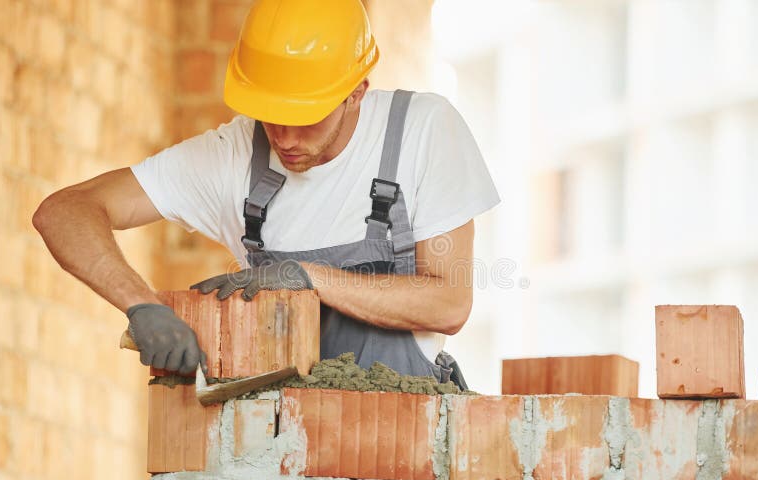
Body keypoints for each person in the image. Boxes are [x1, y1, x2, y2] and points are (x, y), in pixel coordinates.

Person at [33, 0, 499, 388]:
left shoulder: (421, 132)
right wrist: (141, 304)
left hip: (397, 440)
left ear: (355, 92)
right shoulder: (234, 153)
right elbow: (64, 211)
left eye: (307, 116)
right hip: (277, 444)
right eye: (271, 113)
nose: (286, 138)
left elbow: (450, 303)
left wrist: (309, 278)